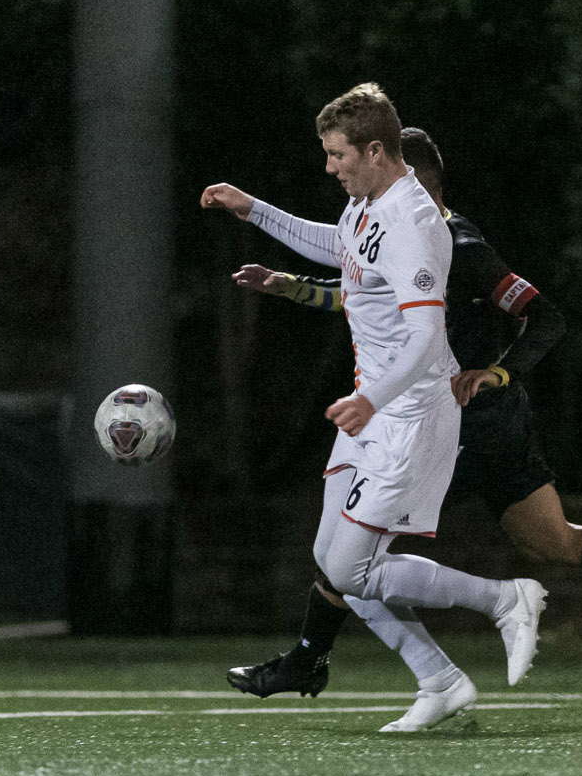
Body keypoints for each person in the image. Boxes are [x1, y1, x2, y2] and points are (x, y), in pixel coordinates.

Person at [225, 126, 582, 702]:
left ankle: (317, 659)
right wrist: (294, 287)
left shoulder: (459, 246)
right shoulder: (405, 237)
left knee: (353, 552)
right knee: (557, 540)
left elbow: (545, 316)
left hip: (463, 421)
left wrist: (498, 372)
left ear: (411, 180)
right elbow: (362, 291)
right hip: (483, 421)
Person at [201, 84, 546, 732]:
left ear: (376, 150)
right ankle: (439, 680)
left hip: (409, 414)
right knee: (336, 560)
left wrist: (369, 400)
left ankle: (505, 600)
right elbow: (339, 249)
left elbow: (425, 337)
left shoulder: (415, 224)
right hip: (376, 410)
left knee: (351, 567)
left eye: (337, 155)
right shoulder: (366, 204)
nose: (329, 167)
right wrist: (253, 211)